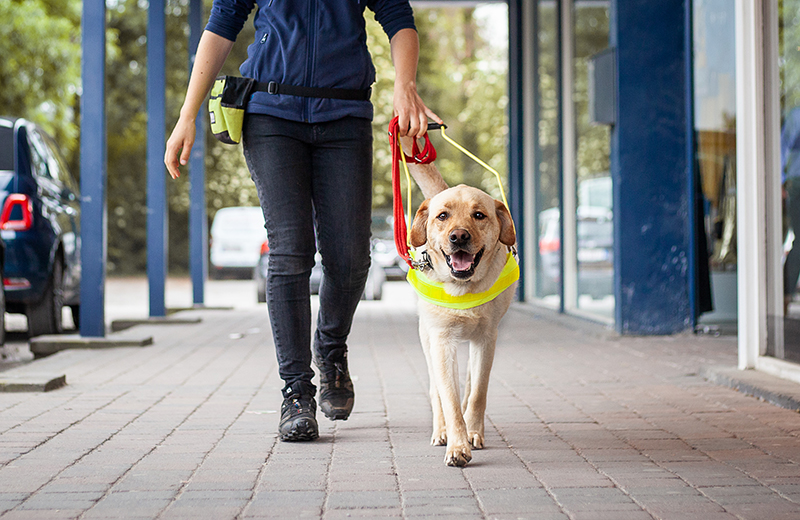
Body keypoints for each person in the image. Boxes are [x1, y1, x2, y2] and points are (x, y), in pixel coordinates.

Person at [165, 0, 442, 441]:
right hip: (271, 115)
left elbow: (400, 22)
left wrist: (405, 85)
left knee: (351, 259)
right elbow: (220, 28)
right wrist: (186, 116)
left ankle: (330, 348)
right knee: (290, 250)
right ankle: (296, 393)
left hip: (345, 116)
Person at [783, 107, 800, 314]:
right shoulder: (796, 115)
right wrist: (779, 182)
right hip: (797, 183)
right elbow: (782, 147)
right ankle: (785, 295)